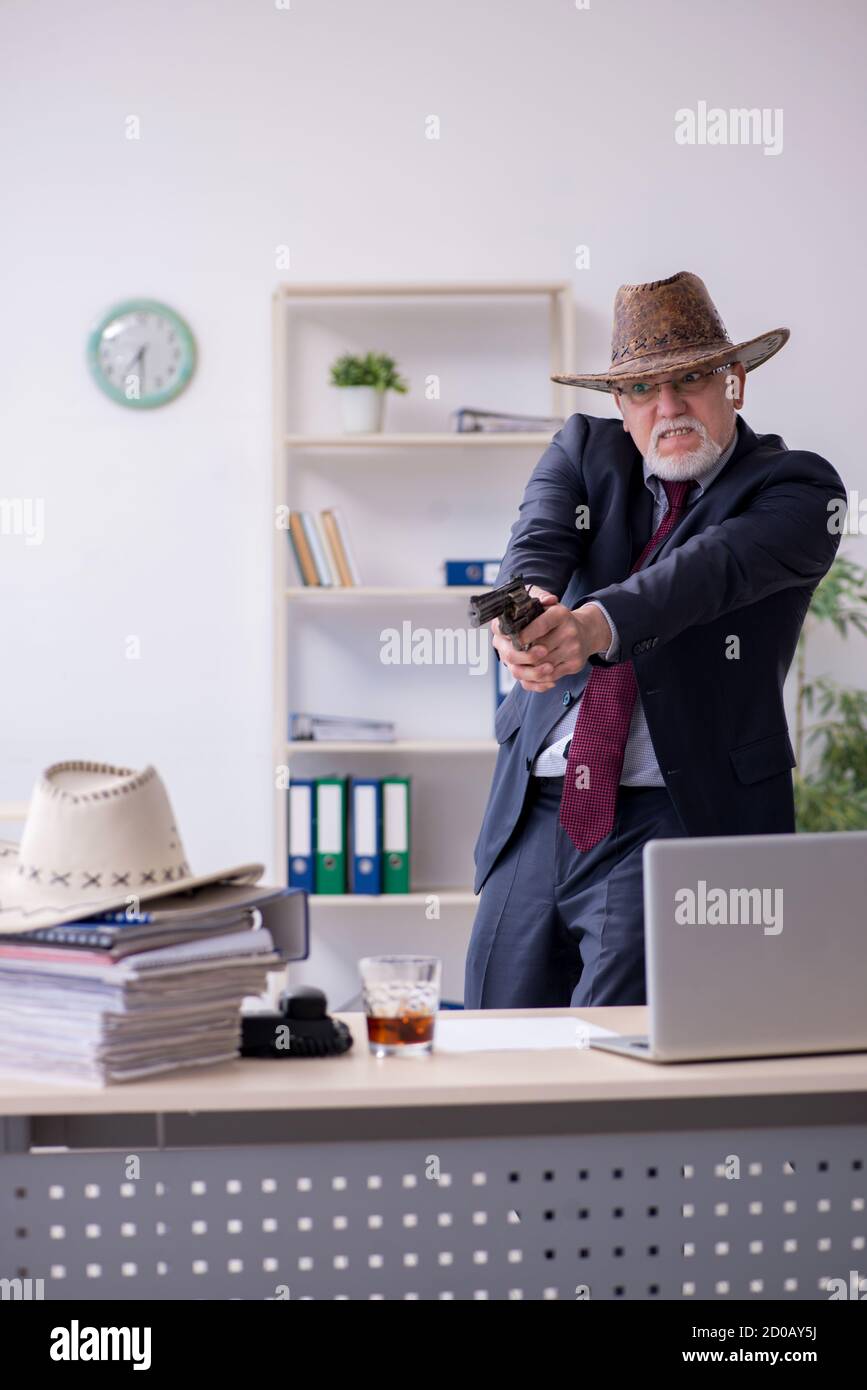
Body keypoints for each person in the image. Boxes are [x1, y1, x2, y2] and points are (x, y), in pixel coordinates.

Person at [464, 270, 846, 1009]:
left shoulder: (799, 490)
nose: (668, 407)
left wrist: (591, 627)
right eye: (642, 390)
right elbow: (537, 541)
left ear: (733, 382)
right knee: (491, 1041)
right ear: (619, 404)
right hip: (535, 812)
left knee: (616, 1060)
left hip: (673, 819)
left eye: (692, 378)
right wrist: (531, 618)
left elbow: (707, 574)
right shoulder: (582, 449)